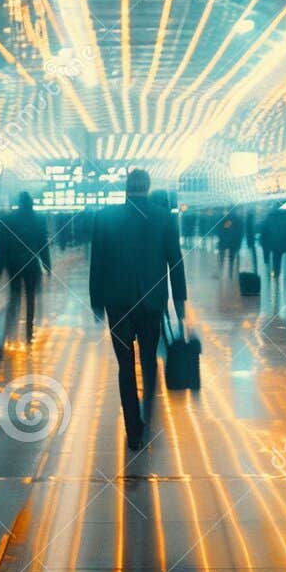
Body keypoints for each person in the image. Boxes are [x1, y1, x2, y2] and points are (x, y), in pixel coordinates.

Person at [89, 169, 188, 449]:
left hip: (117, 303)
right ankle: (148, 412)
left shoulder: (105, 218)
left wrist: (96, 300)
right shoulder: (164, 218)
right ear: (148, 186)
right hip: (152, 302)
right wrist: (179, 301)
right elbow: (175, 262)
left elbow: (97, 263)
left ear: (125, 187)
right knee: (148, 360)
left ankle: (133, 429)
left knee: (125, 366)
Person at [0, 192, 51, 342]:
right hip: (31, 264)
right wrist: (47, 264)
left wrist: (0, 265)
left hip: (13, 264)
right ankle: (29, 331)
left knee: (14, 297)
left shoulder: (8, 219)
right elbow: (43, 245)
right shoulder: (38, 219)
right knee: (30, 298)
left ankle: (11, 332)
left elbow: (2, 245)